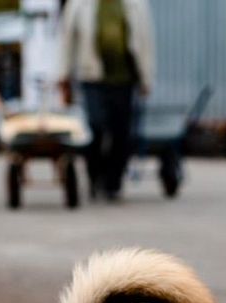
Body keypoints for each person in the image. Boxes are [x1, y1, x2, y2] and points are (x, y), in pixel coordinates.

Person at [57, 0, 154, 201]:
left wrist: (147, 78)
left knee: (121, 133)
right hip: (91, 76)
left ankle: (113, 183)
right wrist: (63, 75)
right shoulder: (79, 4)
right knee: (95, 126)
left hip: (125, 79)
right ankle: (95, 177)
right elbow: (67, 39)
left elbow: (146, 41)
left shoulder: (136, 4)